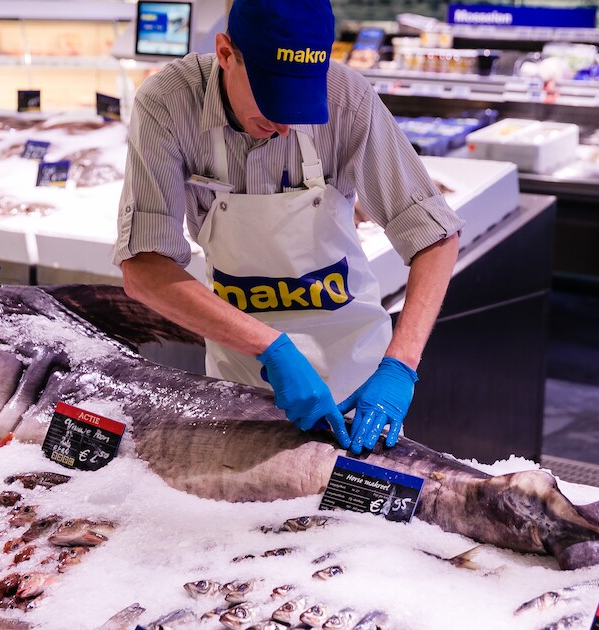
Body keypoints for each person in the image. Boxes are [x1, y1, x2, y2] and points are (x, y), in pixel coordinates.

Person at [114, 0, 463, 455]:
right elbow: (144, 268)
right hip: (242, 376)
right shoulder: (168, 103)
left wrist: (401, 364)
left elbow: (433, 234)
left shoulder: (348, 97)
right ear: (225, 53)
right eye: (271, 97)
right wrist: (269, 348)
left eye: (298, 104)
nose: (282, 126)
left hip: (357, 371)